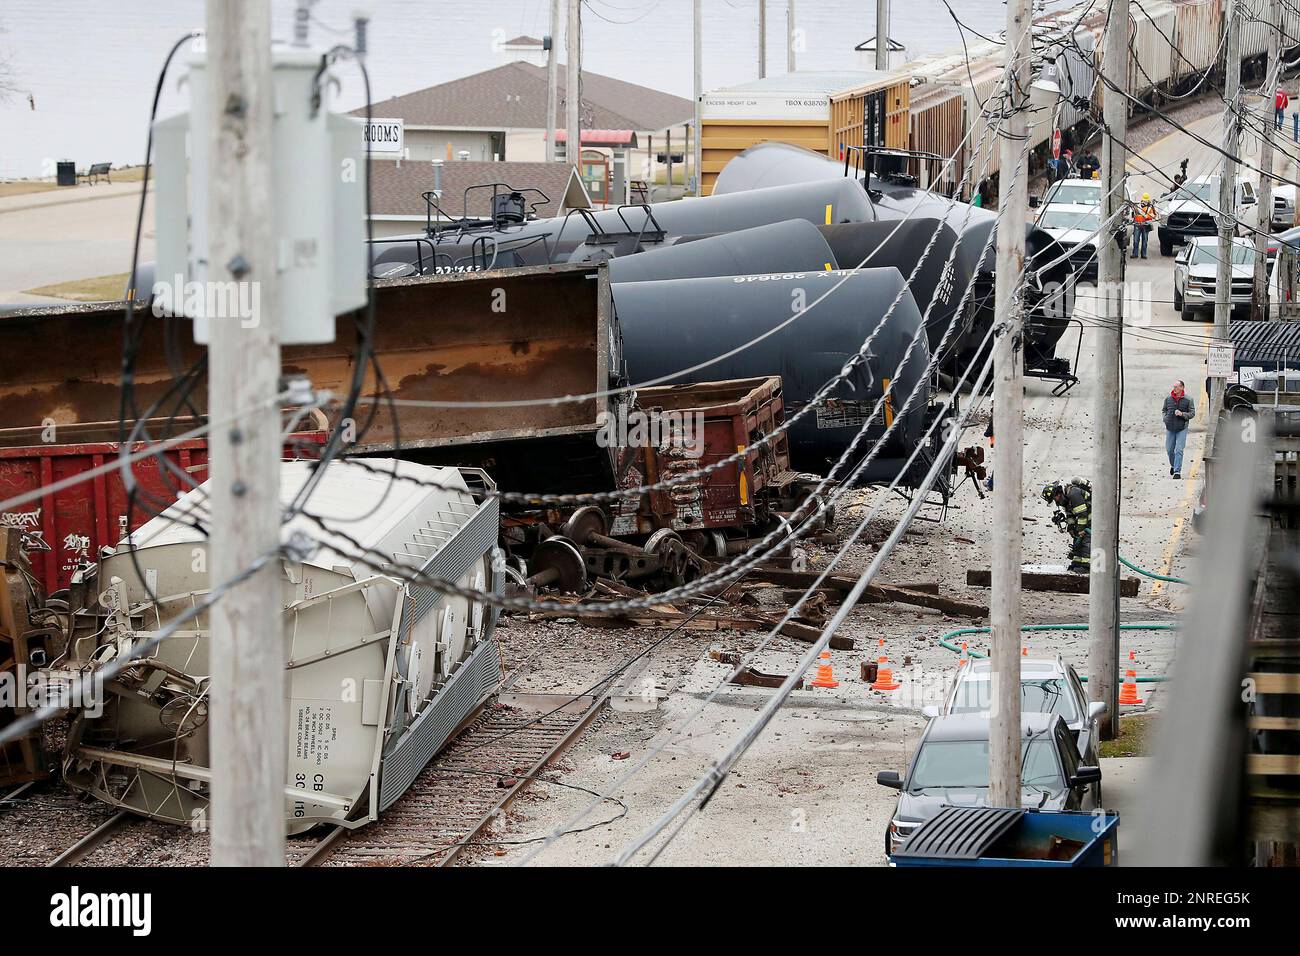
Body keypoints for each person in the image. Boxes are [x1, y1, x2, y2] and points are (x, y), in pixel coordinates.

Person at [1041, 479, 1092, 573]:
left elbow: (1082, 514)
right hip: (1085, 519)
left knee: (1086, 539)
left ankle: (1087, 566)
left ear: (1058, 494)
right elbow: (1070, 514)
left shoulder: (1073, 494)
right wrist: (1071, 528)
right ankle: (1077, 562)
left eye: (1054, 499)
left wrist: (1081, 530)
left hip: (1093, 518)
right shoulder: (1066, 499)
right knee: (1077, 538)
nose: (1056, 502)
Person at [1163, 380, 1195, 479]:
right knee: (1169, 449)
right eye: (1174, 387)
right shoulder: (1168, 399)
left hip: (1182, 428)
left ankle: (1177, 471)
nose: (1174, 389)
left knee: (1179, 450)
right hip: (1170, 428)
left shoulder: (1189, 399)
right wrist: (1165, 419)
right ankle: (1173, 465)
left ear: (1182, 387)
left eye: (1176, 387)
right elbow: (1164, 410)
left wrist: (1182, 414)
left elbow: (1192, 413)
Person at [1131, 192, 1158, 259]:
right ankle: (1135, 254)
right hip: (1137, 224)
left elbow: (1153, 215)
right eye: (1144, 200)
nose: (1144, 202)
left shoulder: (1150, 208)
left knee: (1144, 240)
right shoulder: (1138, 206)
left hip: (1145, 225)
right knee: (1136, 240)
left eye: (1146, 201)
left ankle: (1143, 254)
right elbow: (1133, 215)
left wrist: (1147, 217)